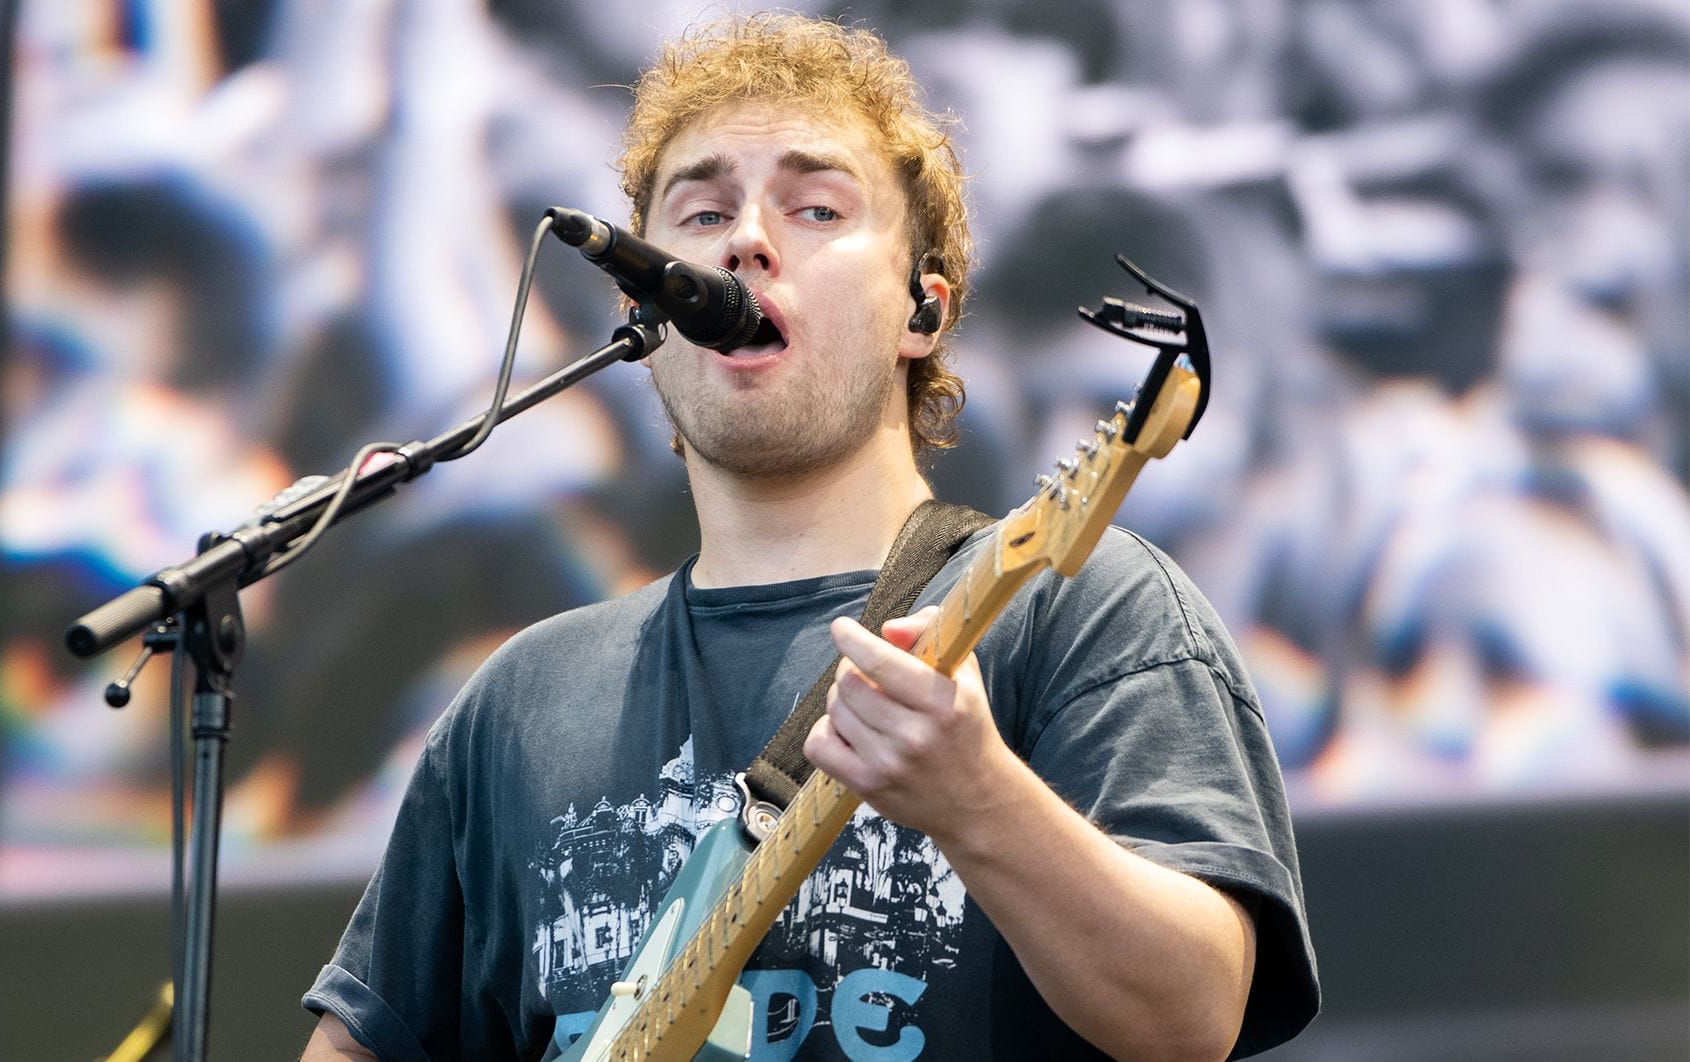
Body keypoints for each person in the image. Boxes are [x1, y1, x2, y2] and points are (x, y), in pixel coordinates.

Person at [301, 14, 1317, 1060]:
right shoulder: (518, 702)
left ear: (921, 312)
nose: (745, 239)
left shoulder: (1078, 604)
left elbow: (1197, 1013)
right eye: (699, 213)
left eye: (816, 205)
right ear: (646, 313)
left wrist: (981, 804)